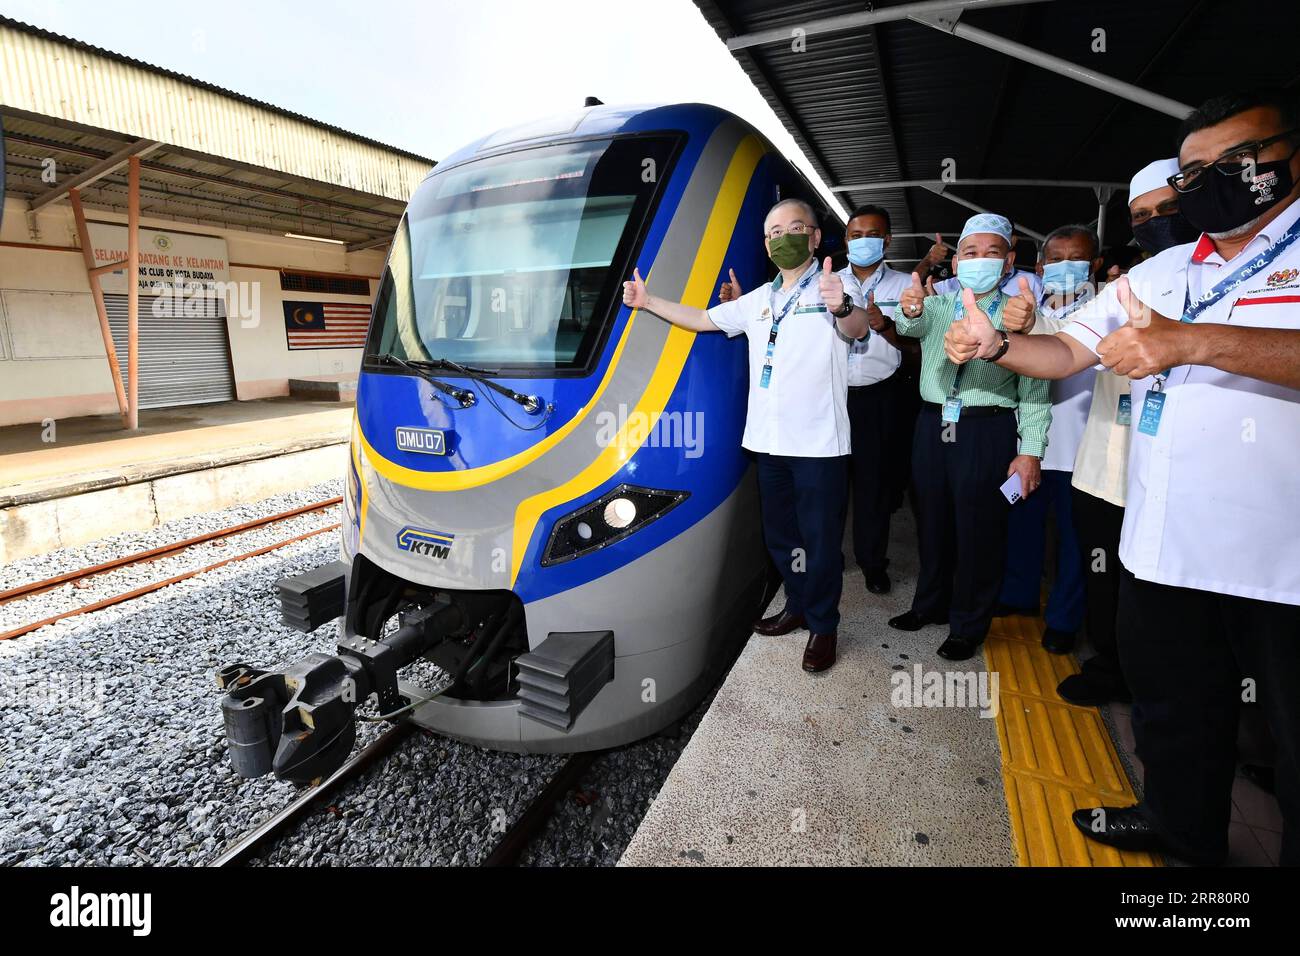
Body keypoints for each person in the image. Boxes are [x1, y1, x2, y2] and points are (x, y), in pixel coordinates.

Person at [943, 88, 1300, 865]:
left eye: (1239, 161)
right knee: (1174, 711)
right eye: (1195, 169)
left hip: (1282, 562)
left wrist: (1194, 343)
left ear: (1289, 155)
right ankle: (1179, 832)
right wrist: (998, 346)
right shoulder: (1164, 269)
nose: (1213, 180)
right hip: (1166, 544)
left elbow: (1199, 348)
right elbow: (1066, 354)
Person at [624, 197, 870, 674]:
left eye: (795, 228)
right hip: (768, 445)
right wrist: (647, 300)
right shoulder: (757, 301)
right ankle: (797, 604)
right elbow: (702, 319)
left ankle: (823, 624)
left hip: (819, 447)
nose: (783, 238)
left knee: (820, 543)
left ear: (816, 238)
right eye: (773, 232)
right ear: (766, 243)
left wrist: (842, 304)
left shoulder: (833, 291)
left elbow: (857, 329)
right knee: (781, 536)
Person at [1053, 159, 1192, 707]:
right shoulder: (1124, 289)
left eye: (1168, 210)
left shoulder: (1231, 282)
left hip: (1177, 476)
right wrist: (1002, 340)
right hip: (1104, 470)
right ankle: (1111, 667)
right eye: (1141, 215)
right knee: (1104, 576)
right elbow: (1063, 348)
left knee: (1170, 595)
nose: (1155, 222)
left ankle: (1168, 689)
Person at [886, 212, 1052, 662]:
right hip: (933, 422)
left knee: (980, 530)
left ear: (1009, 261)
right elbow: (908, 326)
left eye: (991, 253)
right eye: (969, 253)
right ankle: (930, 604)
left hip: (987, 427)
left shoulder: (1019, 315)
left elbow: (1036, 387)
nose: (979, 261)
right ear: (956, 262)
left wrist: (1031, 451)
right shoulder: (937, 306)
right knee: (931, 518)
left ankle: (968, 624)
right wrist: (911, 305)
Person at [994, 226, 1102, 653]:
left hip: (1081, 448)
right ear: (1040, 267)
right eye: (1055, 259)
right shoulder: (1020, 311)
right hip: (1027, 445)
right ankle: (1018, 595)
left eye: (1076, 259)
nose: (1064, 267)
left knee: (1075, 541)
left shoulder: (1105, 312)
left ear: (1094, 265)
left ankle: (1063, 619)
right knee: (1020, 523)